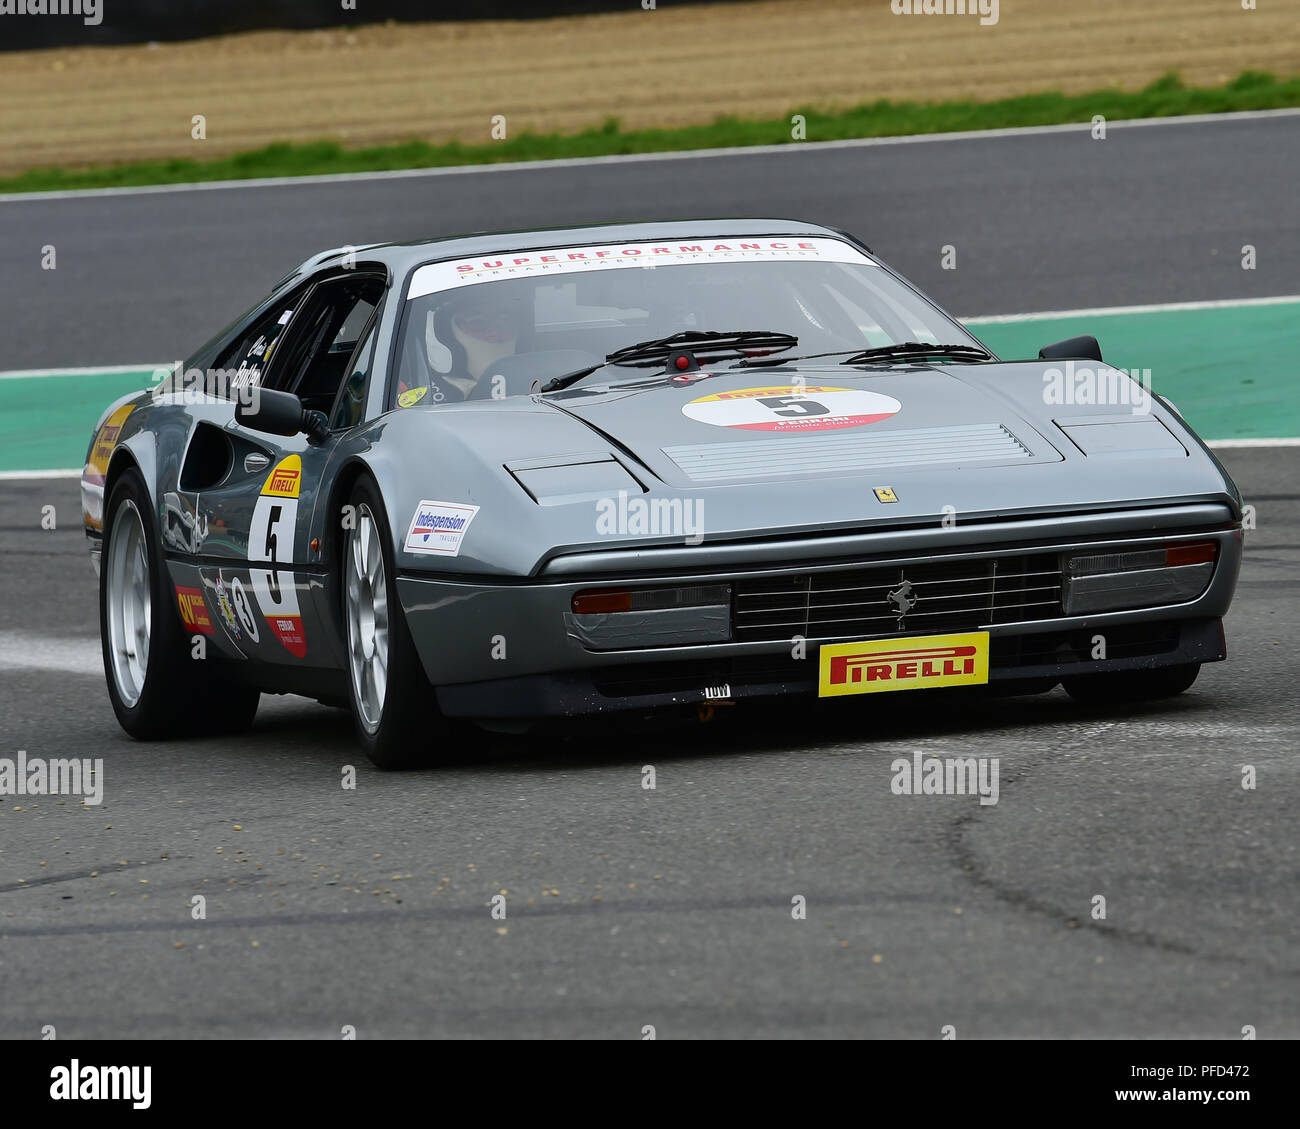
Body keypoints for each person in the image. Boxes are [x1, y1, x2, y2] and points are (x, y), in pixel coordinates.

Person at [398, 285, 529, 407]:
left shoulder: (535, 381)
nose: (495, 333)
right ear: (445, 335)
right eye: (477, 323)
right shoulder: (416, 391)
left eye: (505, 321)